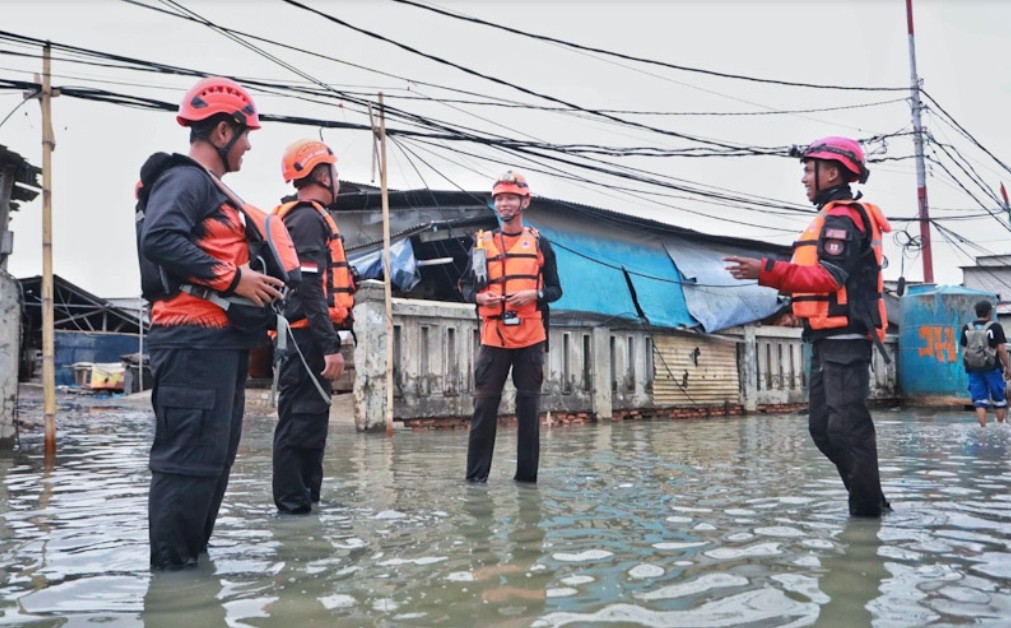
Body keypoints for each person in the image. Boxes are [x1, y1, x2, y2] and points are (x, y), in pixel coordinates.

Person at [137, 76, 286, 569]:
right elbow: (159, 238)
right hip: (190, 341)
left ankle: (193, 576)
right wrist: (232, 279)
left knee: (213, 465)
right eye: (245, 135)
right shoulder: (186, 179)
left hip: (217, 346)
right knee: (187, 466)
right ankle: (173, 591)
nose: (247, 145)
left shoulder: (214, 190)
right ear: (222, 132)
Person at [724, 136, 891, 518]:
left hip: (847, 337)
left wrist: (766, 271)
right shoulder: (831, 216)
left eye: (808, 169)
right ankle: (871, 500)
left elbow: (830, 277)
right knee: (822, 428)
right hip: (826, 337)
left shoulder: (843, 218)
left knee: (847, 428)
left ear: (831, 172)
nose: (803, 178)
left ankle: (867, 517)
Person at [459, 171, 562, 484]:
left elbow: (556, 290)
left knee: (529, 410)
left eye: (510, 198)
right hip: (493, 338)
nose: (504, 203)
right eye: (499, 198)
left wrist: (535, 294)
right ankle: (476, 481)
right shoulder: (481, 245)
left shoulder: (540, 244)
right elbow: (465, 287)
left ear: (524, 202)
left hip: (530, 337)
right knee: (483, 408)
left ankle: (527, 481)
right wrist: (479, 296)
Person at [270, 139, 355, 514]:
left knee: (311, 426)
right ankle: (293, 510)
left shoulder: (308, 216)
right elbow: (308, 287)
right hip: (305, 339)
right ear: (323, 174)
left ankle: (307, 503)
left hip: (307, 337)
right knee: (299, 426)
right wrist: (329, 346)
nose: (339, 178)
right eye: (335, 171)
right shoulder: (305, 219)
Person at [959, 299, 1010, 427]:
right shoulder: (995, 326)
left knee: (979, 399)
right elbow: (1001, 349)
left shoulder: (967, 327)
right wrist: (1008, 366)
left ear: (976, 312)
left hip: (973, 368)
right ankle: (999, 424)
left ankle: (983, 428)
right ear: (989, 312)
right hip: (992, 367)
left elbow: (964, 348)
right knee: (999, 397)